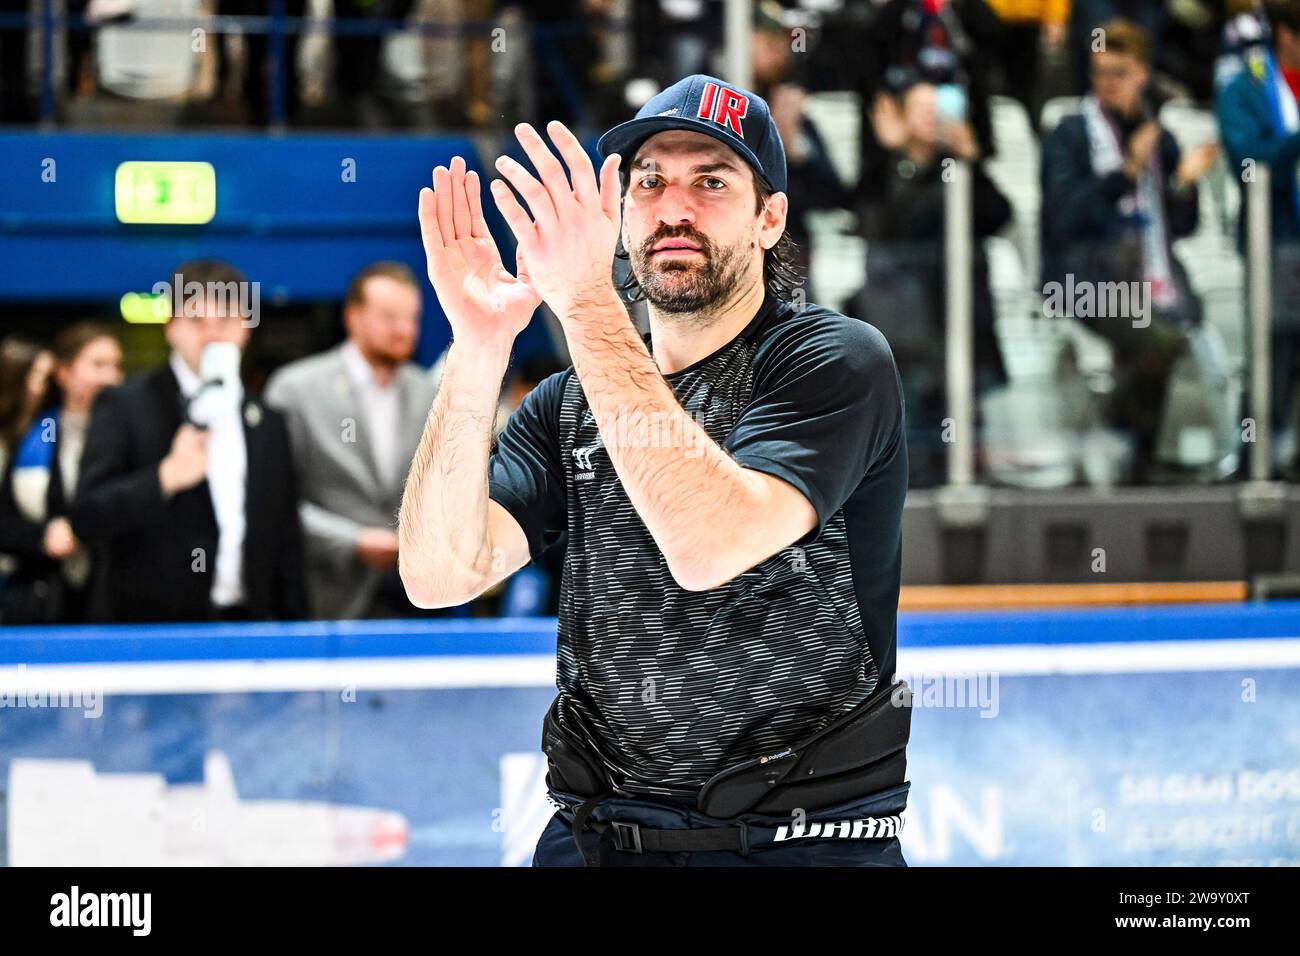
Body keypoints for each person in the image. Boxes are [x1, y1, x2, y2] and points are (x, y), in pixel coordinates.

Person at [399, 74, 911, 866]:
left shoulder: (831, 361)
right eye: (650, 182)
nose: (675, 208)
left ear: (770, 217)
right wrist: (478, 346)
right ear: (623, 212)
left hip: (800, 843)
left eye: (711, 181)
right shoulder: (565, 403)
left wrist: (583, 300)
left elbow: (707, 544)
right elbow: (439, 574)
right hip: (598, 835)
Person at [71, 260, 306, 623]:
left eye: (226, 320)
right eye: (197, 321)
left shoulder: (268, 421)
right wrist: (164, 478)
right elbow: (86, 516)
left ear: (245, 327)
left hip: (249, 626)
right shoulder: (124, 405)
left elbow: (286, 536)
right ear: (171, 327)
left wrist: (293, 631)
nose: (212, 335)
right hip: (150, 633)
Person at [1040, 17, 1217, 482]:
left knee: (1164, 340)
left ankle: (1135, 459)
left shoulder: (1163, 139)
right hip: (1082, 281)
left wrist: (1180, 184)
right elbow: (1065, 220)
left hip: (1151, 279)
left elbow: (1184, 225)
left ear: (1143, 74)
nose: (1107, 84)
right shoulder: (1071, 134)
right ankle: (1123, 441)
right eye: (1099, 73)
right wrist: (1126, 168)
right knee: (1162, 342)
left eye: (1118, 73)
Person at [854, 76, 1013, 487]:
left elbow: (998, 217)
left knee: (965, 423)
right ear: (902, 116)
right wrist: (891, 158)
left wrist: (973, 159)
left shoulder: (958, 167)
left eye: (937, 111)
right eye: (921, 110)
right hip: (905, 328)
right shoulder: (886, 169)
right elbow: (879, 227)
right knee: (909, 431)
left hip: (960, 319)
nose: (932, 120)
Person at [265, 262, 441, 619]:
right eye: (390, 317)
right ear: (353, 317)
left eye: (412, 319)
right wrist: (354, 541)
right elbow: (273, 505)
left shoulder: (429, 392)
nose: (404, 330)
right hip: (326, 596)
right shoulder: (296, 390)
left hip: (418, 598)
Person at [1217, 0, 1300, 473]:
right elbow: (1247, 160)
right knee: (1275, 357)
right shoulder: (1244, 86)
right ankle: (1258, 470)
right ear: (1287, 37)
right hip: (1277, 242)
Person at [0, 324, 123, 624]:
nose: (111, 377)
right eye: (98, 365)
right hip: (41, 599)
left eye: (117, 366)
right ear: (64, 373)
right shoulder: (32, 436)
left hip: (114, 598)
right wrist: (44, 538)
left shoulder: (130, 436)